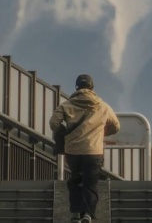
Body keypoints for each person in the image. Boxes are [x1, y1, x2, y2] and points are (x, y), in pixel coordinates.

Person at [50, 74, 121, 223]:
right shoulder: (103, 106)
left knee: (75, 180)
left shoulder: (66, 105)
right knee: (91, 183)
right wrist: (100, 132)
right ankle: (88, 214)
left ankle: (75, 213)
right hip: (94, 152)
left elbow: (54, 123)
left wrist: (64, 132)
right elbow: (116, 126)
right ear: (92, 87)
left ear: (77, 87)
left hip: (73, 151)